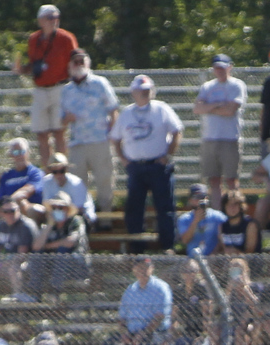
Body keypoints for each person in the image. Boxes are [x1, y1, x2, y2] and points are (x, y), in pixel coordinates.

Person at [111, 75, 182, 253]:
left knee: (165, 207)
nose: (145, 93)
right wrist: (124, 160)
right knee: (134, 208)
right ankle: (137, 247)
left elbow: (177, 130)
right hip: (135, 167)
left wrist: (168, 155)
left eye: (148, 90)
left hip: (158, 166)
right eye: (141, 91)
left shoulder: (161, 109)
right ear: (134, 93)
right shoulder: (126, 113)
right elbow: (115, 138)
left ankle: (167, 246)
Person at [59, 51, 119, 223]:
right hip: (78, 143)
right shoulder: (66, 90)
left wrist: (112, 133)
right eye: (74, 62)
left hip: (100, 141)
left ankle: (106, 221)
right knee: (78, 185)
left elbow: (113, 109)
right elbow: (61, 122)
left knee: (104, 181)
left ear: (88, 63)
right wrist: (66, 119)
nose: (78, 65)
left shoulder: (100, 83)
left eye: (81, 61)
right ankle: (82, 221)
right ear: (69, 66)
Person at [15, 5, 78, 166]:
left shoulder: (66, 38)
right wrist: (21, 69)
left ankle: (61, 169)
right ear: (41, 21)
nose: (54, 20)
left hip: (60, 88)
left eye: (56, 17)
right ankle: (48, 172)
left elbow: (76, 63)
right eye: (50, 17)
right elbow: (34, 65)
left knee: (59, 132)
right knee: (41, 134)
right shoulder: (34, 39)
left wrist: (75, 89)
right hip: (40, 89)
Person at [193, 54, 246, 199]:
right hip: (209, 139)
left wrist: (208, 108)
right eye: (217, 68)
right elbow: (197, 108)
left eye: (223, 68)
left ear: (230, 67)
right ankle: (217, 212)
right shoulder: (207, 86)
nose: (220, 71)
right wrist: (217, 105)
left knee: (231, 179)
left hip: (229, 139)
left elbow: (230, 110)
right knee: (214, 180)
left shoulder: (236, 85)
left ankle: (235, 210)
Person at [116, 255, 172, 345]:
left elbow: (160, 317)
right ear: (134, 270)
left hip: (154, 333)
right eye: (139, 267)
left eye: (146, 267)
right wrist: (124, 333)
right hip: (130, 333)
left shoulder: (161, 288)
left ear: (152, 268)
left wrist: (142, 334)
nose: (143, 270)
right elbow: (121, 317)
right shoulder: (130, 290)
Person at [176, 184, 223, 254]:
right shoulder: (184, 219)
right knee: (192, 265)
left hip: (215, 258)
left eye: (202, 196)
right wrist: (195, 221)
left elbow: (226, 238)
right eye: (195, 197)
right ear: (190, 200)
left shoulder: (218, 217)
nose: (199, 200)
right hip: (194, 258)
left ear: (207, 199)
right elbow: (185, 240)